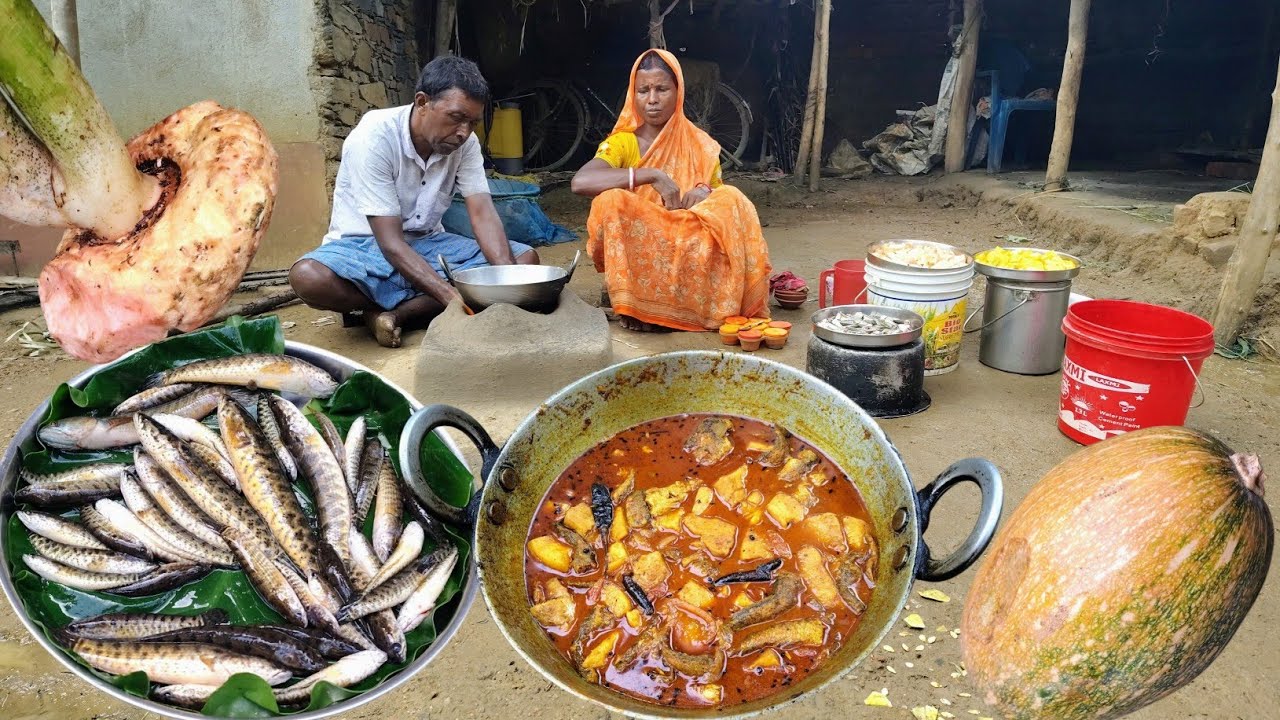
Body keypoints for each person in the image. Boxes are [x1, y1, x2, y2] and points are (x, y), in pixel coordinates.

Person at [290, 56, 539, 348]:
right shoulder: (374, 136)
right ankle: (425, 304)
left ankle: (391, 314)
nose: (464, 132)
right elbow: (391, 244)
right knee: (308, 277)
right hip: (364, 248)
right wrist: (454, 298)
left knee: (525, 261)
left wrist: (508, 280)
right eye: (456, 117)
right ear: (422, 102)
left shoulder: (466, 145)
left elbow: (482, 213)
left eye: (472, 122)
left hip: (430, 244)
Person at [570, 49, 772, 332]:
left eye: (661, 89)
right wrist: (650, 175)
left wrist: (705, 193)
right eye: (643, 91)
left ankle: (689, 308)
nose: (652, 100)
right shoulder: (623, 143)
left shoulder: (700, 143)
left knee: (732, 197)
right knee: (611, 201)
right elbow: (581, 182)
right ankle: (640, 305)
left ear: (678, 92)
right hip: (642, 241)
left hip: (689, 243)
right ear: (633, 94)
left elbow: (722, 208)